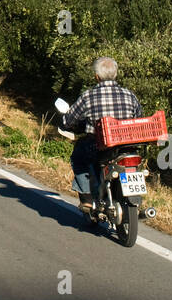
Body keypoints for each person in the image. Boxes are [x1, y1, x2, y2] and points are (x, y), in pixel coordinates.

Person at [61, 57, 143, 211]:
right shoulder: (130, 95)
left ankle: (87, 198)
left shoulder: (88, 97)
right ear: (115, 74)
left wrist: (66, 124)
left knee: (78, 157)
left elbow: (70, 119)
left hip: (98, 146)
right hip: (126, 145)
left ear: (96, 77)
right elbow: (138, 117)